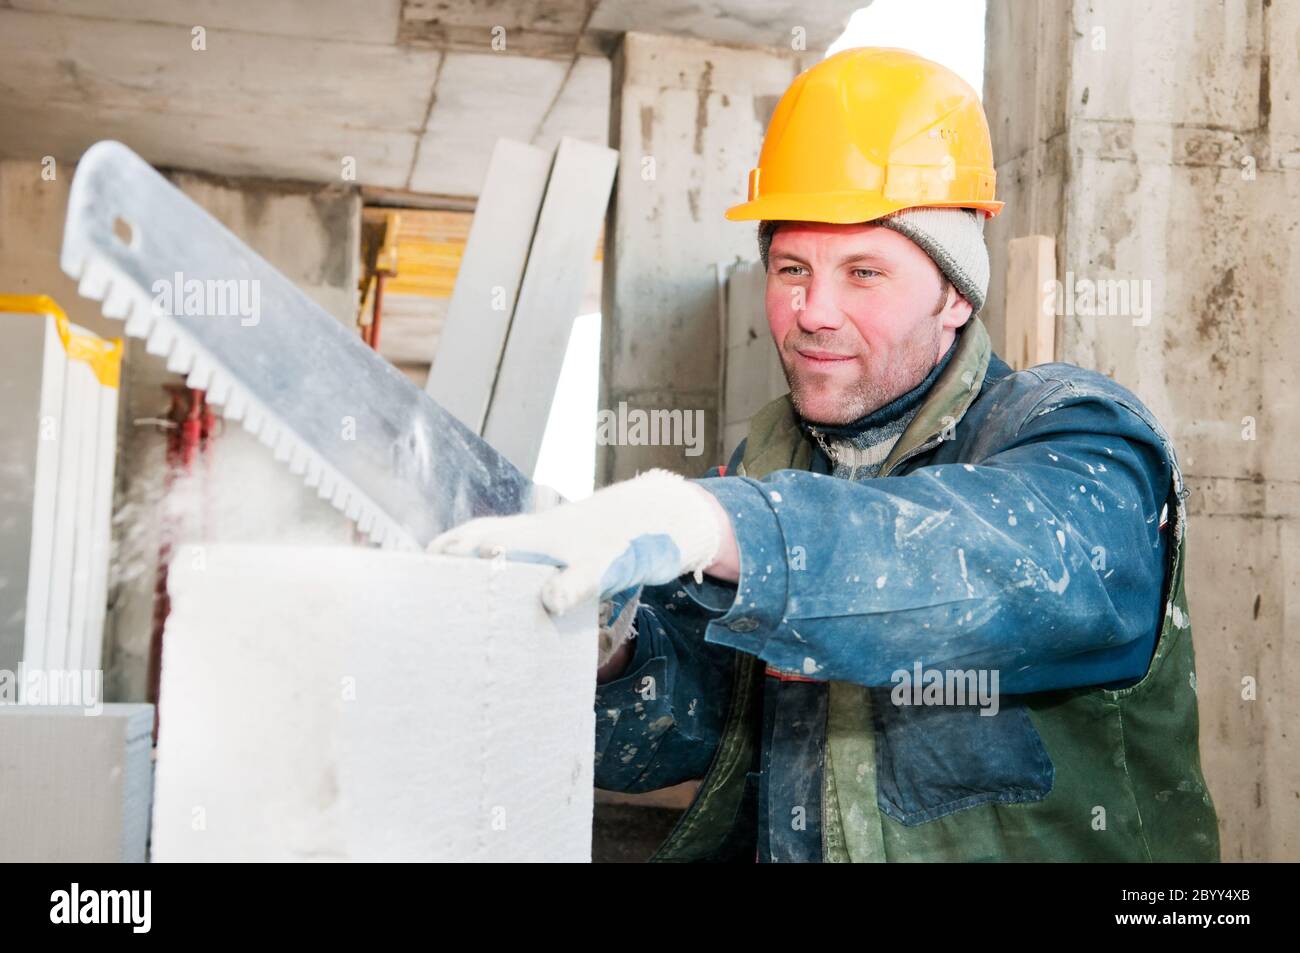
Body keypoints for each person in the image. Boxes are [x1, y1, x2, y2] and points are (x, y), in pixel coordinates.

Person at [429, 47, 1219, 862]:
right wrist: (607, 654)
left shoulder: (1077, 437)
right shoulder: (773, 462)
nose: (813, 311)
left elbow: (1007, 568)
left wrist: (713, 521)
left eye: (864, 271)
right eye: (791, 268)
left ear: (955, 294)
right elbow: (698, 726)